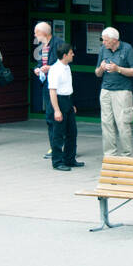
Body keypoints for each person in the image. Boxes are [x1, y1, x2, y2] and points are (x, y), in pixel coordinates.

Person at [95, 26, 133, 157]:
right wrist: (102, 68)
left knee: (122, 123)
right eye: (103, 40)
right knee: (106, 123)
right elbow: (97, 73)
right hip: (106, 90)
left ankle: (126, 155)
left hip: (122, 91)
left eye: (106, 40)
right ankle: (109, 155)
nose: (103, 43)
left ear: (114, 40)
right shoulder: (103, 49)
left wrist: (117, 69)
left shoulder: (127, 49)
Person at [47, 41, 83, 171]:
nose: (73, 54)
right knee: (58, 133)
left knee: (72, 132)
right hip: (59, 102)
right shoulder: (55, 70)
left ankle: (69, 159)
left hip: (67, 100)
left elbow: (67, 88)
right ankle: (57, 161)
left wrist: (71, 104)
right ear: (64, 55)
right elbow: (52, 91)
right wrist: (57, 110)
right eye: (71, 53)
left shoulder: (67, 67)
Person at [32, 22, 65, 160]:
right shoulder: (43, 46)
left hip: (58, 86)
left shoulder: (58, 44)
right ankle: (54, 146)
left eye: (36, 33)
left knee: (56, 115)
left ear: (44, 33)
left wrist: (50, 68)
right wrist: (38, 68)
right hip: (47, 84)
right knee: (50, 117)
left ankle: (59, 147)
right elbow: (42, 63)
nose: (35, 35)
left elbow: (65, 62)